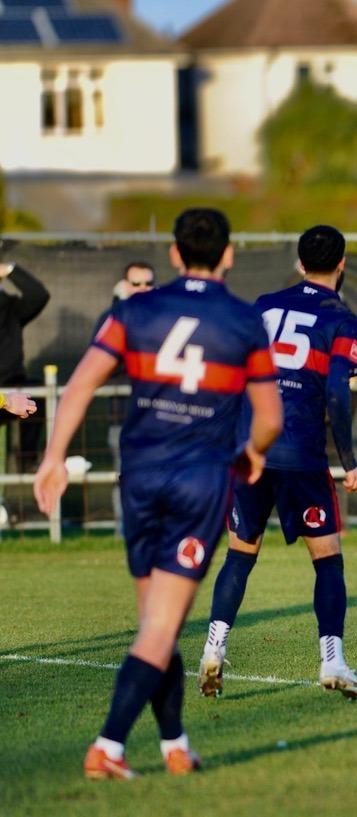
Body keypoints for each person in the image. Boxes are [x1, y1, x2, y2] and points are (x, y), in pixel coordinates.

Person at [32, 208, 282, 780]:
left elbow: (80, 384)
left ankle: (174, 743)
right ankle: (109, 747)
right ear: (229, 254)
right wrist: (250, 452)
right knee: (162, 624)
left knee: (155, 620)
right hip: (199, 481)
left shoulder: (134, 308)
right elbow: (269, 417)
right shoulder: (243, 323)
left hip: (140, 475)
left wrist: (52, 458)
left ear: (173, 253)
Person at [198, 225, 357, 701]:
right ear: (342, 263)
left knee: (240, 553)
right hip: (300, 451)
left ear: (299, 263)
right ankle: (332, 660)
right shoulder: (342, 319)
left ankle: (213, 648)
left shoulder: (264, 305)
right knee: (327, 560)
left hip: (251, 447)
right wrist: (348, 459)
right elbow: (337, 391)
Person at [92, 260, 157, 536]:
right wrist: (120, 308)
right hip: (124, 415)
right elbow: (103, 361)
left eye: (147, 283)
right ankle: (125, 534)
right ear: (123, 286)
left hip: (162, 415)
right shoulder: (113, 317)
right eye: (135, 283)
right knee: (125, 477)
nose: (142, 289)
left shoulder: (165, 316)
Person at [0, 258, 50, 518]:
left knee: (37, 394)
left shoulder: (10, 309)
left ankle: (27, 459)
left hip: (12, 388)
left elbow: (38, 295)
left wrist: (9, 270)